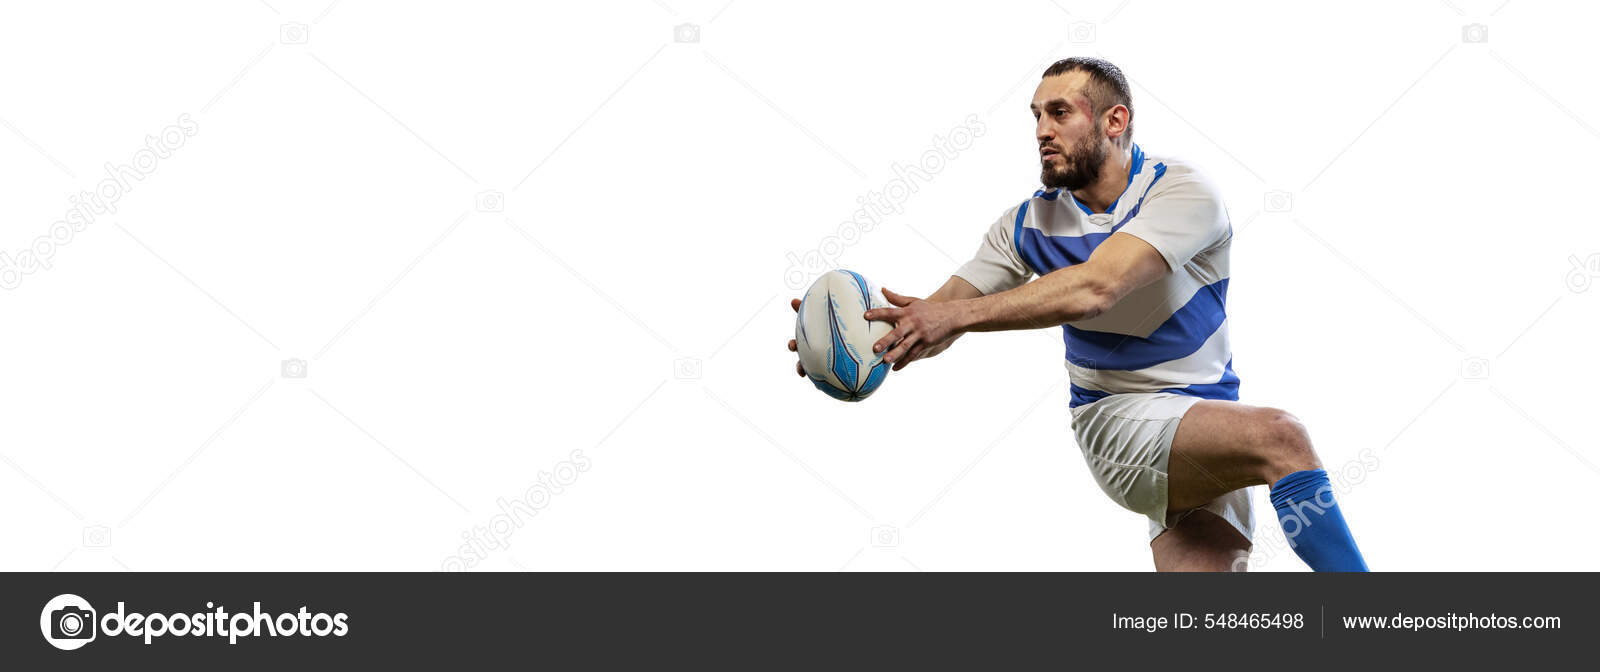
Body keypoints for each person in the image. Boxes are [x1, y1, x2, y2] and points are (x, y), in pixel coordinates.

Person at [787, 57, 1367, 572]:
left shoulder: (1181, 192)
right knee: (1282, 438)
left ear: (1115, 121)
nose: (1042, 130)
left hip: (1206, 420)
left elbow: (1099, 286)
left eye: (1059, 113)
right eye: (1036, 116)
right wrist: (846, 334)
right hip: (1118, 420)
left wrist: (953, 317)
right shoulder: (1024, 224)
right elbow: (940, 316)